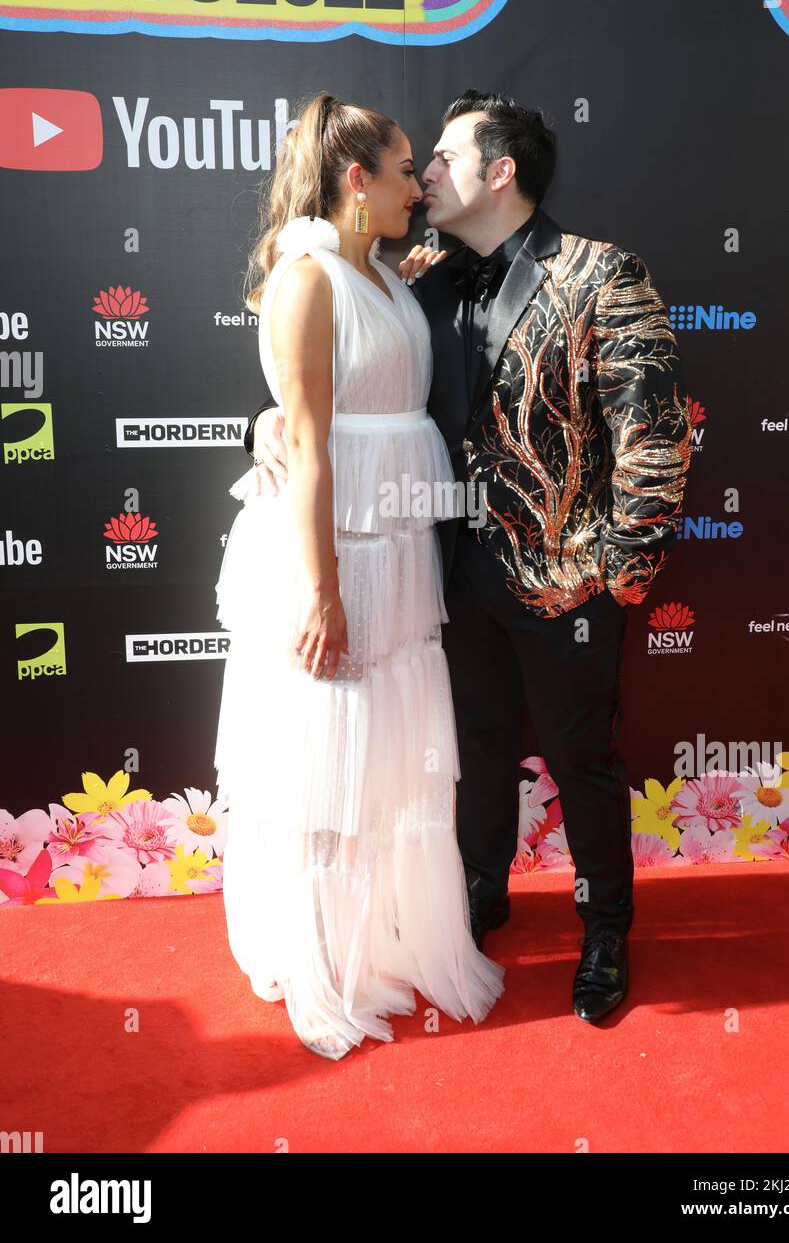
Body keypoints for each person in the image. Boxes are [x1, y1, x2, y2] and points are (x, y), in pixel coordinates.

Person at [246, 89, 693, 1025]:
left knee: (583, 759)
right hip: (444, 574)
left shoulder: (602, 274)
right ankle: (479, 895)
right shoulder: (421, 278)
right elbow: (348, 385)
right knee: (477, 752)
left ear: (501, 173)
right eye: (418, 166)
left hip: (571, 578)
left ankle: (606, 924)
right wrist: (271, 418)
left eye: (442, 160)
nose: (428, 179)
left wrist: (618, 576)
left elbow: (654, 437)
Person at [213, 92, 506, 1060]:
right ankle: (320, 958)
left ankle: (379, 933)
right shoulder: (304, 280)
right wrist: (322, 589)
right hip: (327, 555)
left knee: (388, 753)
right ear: (354, 179)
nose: (416, 191)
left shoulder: (377, 272)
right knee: (324, 757)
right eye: (400, 170)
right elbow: (303, 436)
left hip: (395, 551)